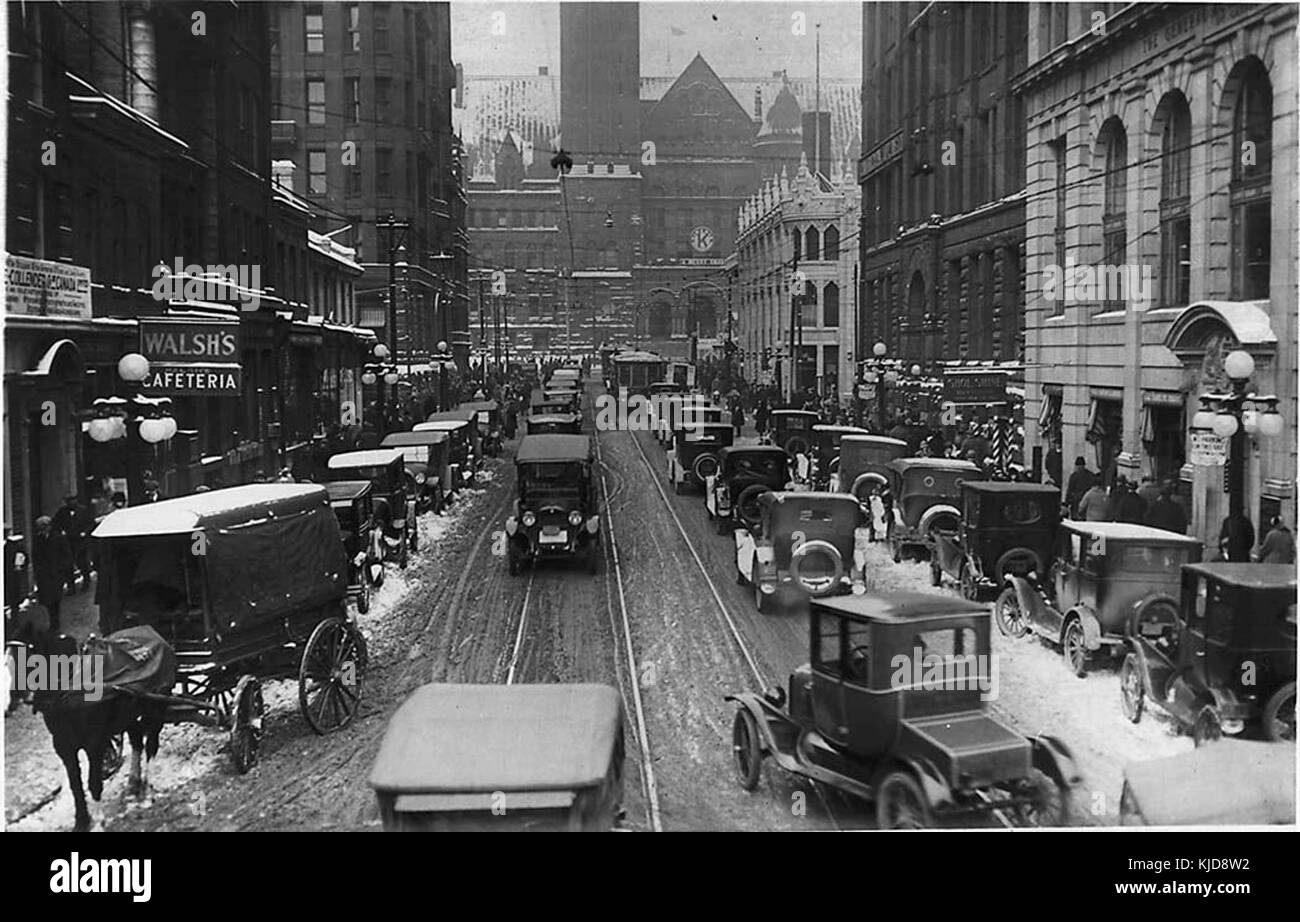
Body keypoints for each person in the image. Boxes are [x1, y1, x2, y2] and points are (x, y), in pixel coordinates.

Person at [32, 515, 71, 636]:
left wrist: (61, 571)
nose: (43, 529)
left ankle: (55, 624)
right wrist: (37, 571)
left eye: (45, 526)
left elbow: (67, 555)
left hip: (55, 575)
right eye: (41, 527)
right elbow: (35, 557)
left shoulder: (58, 538)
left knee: (55, 600)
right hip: (44, 576)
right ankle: (52, 621)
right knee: (47, 601)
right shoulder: (38, 540)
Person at [51, 494, 91, 593]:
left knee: (82, 563)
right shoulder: (62, 512)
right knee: (68, 565)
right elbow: (55, 523)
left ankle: (86, 582)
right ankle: (71, 586)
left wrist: (85, 532)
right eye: (69, 501)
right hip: (67, 542)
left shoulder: (83, 510)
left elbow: (90, 523)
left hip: (80, 542)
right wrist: (61, 532)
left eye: (73, 500)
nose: (72, 502)